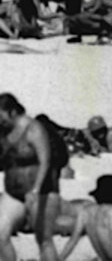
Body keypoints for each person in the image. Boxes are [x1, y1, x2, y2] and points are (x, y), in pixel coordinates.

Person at [0, 93, 63, 261]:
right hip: (14, 195)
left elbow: (46, 161)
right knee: (0, 234)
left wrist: (35, 190)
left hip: (42, 191)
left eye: (1, 116)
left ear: (12, 112)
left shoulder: (34, 128)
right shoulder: (3, 134)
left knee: (44, 241)